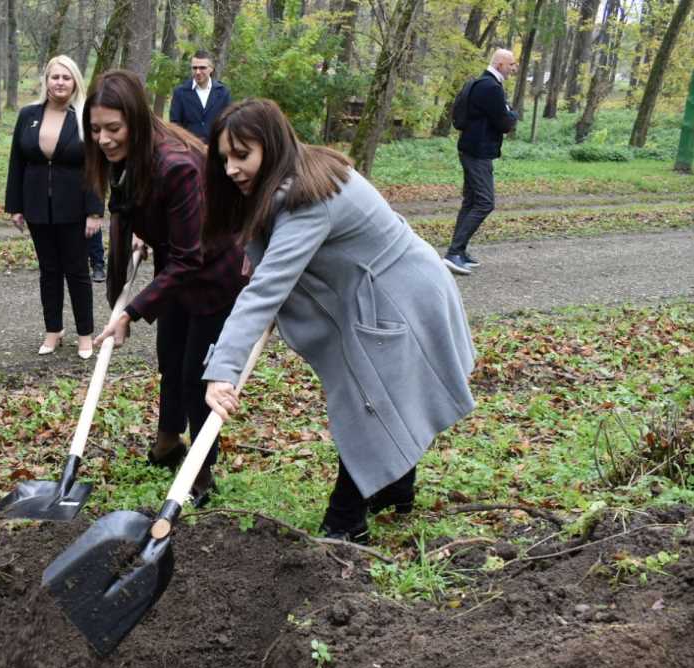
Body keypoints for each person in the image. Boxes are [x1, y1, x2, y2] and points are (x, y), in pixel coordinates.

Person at [201, 99, 476, 543]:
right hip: (386, 287)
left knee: (369, 401)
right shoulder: (296, 174)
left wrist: (222, 371)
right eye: (224, 158)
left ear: (272, 147)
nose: (231, 169)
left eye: (242, 155)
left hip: (402, 294)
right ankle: (396, 491)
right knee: (387, 394)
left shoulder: (308, 197)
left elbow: (265, 290)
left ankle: (345, 523)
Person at [88, 70, 248, 507]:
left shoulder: (176, 164)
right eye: (96, 129)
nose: (103, 139)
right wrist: (149, 230)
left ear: (137, 121)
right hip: (176, 270)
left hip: (213, 274)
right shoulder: (129, 156)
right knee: (170, 358)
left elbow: (189, 257)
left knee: (198, 371)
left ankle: (201, 472)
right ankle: (167, 440)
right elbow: (139, 206)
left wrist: (130, 312)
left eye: (113, 128)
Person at [5, 55, 104, 359]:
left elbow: (96, 166)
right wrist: (15, 206)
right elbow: (16, 162)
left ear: (75, 82)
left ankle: (85, 334)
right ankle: (53, 330)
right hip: (37, 207)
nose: (60, 82)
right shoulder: (28, 114)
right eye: (55, 77)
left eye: (66, 77)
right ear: (46, 80)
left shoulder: (85, 116)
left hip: (74, 208)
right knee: (48, 272)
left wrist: (95, 210)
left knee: (77, 272)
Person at [444, 48, 519, 276]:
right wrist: (513, 114)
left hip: (470, 148)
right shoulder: (491, 88)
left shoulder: (479, 83)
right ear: (499, 65)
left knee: (471, 201)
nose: (514, 68)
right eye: (511, 64)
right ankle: (453, 253)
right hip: (478, 152)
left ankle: (459, 251)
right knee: (485, 202)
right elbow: (505, 123)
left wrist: (507, 113)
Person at [168, 51, 232, 144]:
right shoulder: (180, 92)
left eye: (202, 68)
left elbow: (227, 124)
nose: (198, 72)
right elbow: (175, 125)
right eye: (194, 68)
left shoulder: (223, 92)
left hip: (215, 148)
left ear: (211, 68)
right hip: (189, 148)